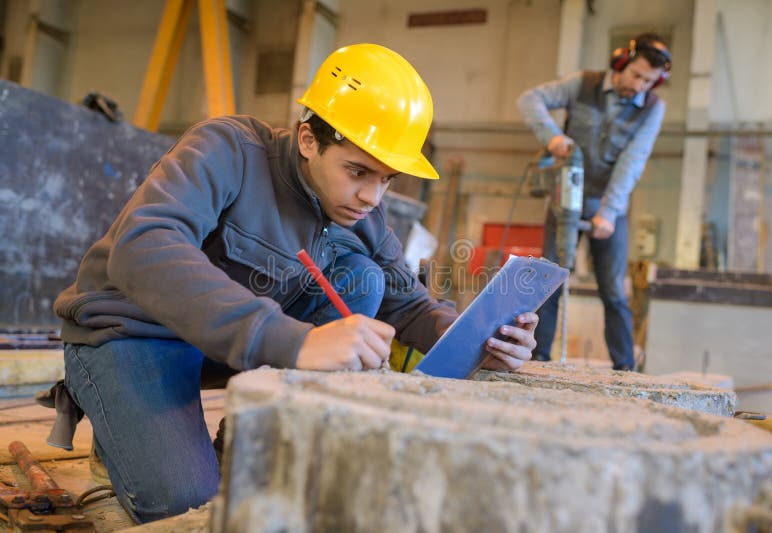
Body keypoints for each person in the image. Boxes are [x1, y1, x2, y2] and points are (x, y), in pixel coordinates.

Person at [52, 43, 539, 523]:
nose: (371, 196)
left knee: (363, 278)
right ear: (309, 140)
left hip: (219, 345)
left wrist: (479, 339)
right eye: (358, 171)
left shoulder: (359, 208)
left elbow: (409, 304)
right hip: (129, 335)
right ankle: (113, 427)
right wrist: (294, 341)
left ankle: (244, 438)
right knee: (187, 504)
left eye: (387, 179)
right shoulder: (228, 150)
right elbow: (142, 248)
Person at [517, 33, 671, 370]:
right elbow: (530, 99)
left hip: (607, 208)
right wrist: (553, 137)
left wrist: (609, 212)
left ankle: (626, 368)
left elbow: (633, 160)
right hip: (564, 201)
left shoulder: (652, 108)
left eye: (649, 80)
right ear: (620, 64)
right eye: (636, 75)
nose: (641, 85)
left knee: (614, 291)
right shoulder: (582, 84)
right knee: (549, 284)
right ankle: (536, 359)